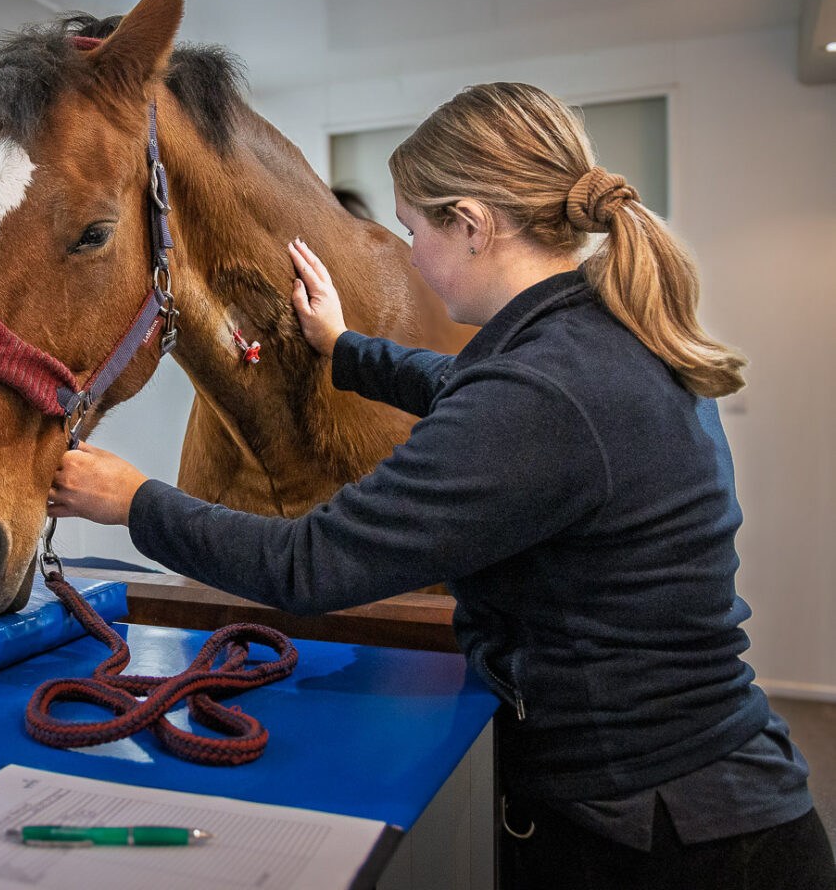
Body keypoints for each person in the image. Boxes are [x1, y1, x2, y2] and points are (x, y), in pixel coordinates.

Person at [48, 82, 836, 889]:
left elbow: (308, 566)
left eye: (413, 227)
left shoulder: (541, 394)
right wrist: (343, 345)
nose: (409, 253)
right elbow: (466, 383)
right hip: (710, 795)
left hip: (658, 839)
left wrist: (131, 502)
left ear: (471, 224)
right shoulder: (599, 335)